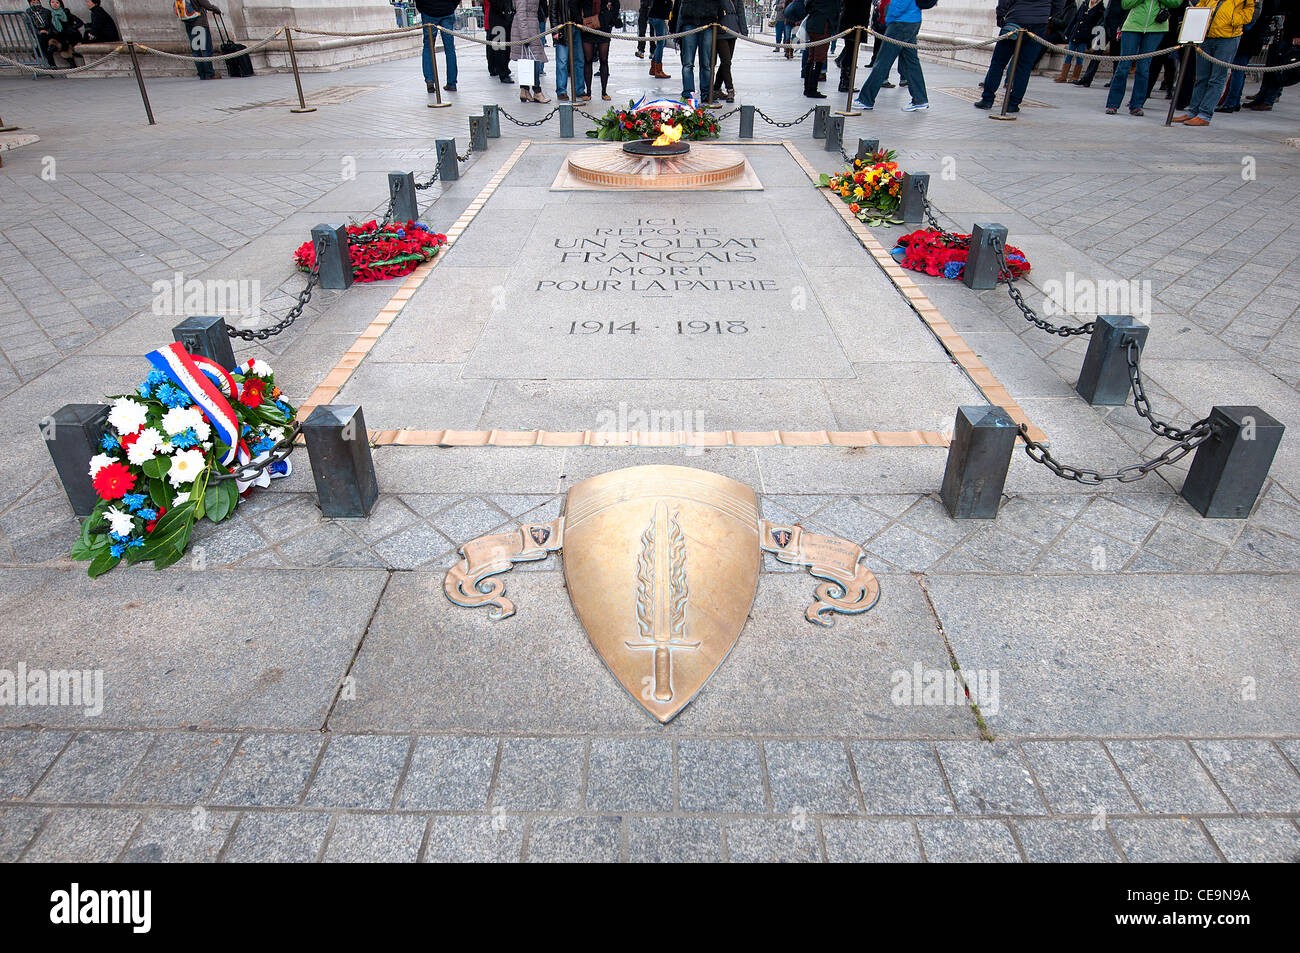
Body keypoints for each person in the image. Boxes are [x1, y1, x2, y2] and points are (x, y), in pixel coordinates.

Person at [973, 0, 1065, 116]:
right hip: (1039, 21)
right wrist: (1045, 12)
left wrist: (1001, 13)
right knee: (1025, 66)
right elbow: (1059, 4)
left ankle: (987, 99)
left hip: (1016, 18)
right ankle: (1013, 103)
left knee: (998, 62)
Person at [1174, 0, 1256, 124]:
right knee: (1201, 77)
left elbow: (1252, 9)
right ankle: (1193, 111)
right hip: (1206, 35)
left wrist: (1234, 19)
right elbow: (1202, 2)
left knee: (1217, 78)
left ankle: (1205, 114)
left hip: (1228, 37)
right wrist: (1199, 16)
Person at [1099, 0, 1180, 116]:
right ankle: (1112, 104)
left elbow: (1175, 3)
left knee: (1144, 68)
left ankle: (1136, 105)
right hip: (1132, 26)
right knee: (1123, 67)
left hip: (1156, 28)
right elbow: (1125, 4)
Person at [854, 0, 929, 110]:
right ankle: (920, 99)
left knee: (883, 61)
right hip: (913, 19)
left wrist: (889, 17)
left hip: (900, 22)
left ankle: (865, 99)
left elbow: (901, 3)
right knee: (911, 62)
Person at [1219, 0, 1273, 112]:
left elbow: (1253, 16)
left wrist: (1237, 23)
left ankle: (1231, 102)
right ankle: (1233, 100)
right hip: (1251, 35)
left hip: (1247, 36)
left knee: (1237, 70)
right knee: (1238, 70)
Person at [1246, 12, 1300, 110]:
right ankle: (1261, 97)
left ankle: (1268, 100)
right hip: (1281, 31)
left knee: (1277, 69)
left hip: (1290, 35)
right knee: (1270, 68)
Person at [670, 0, 722, 102]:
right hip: (690, 21)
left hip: (708, 22)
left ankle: (706, 94)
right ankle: (688, 94)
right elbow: (677, 4)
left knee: (705, 63)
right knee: (688, 63)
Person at [1075, 0, 1124, 85]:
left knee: (1115, 56)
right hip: (1106, 26)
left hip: (1117, 28)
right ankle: (1087, 78)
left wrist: (1121, 27)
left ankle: (1114, 80)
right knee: (1096, 54)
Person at [1056, 0, 1105, 82]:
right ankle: (1063, 75)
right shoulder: (1084, 5)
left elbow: (1096, 26)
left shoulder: (1100, 10)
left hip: (1084, 38)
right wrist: (1067, 33)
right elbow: (1074, 20)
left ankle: (1075, 76)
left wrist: (1091, 41)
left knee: (1080, 57)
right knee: (1069, 55)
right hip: (1075, 34)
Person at [416, 0, 459, 93]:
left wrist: (422, 8)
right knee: (450, 48)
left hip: (429, 11)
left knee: (428, 47)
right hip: (447, 10)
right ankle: (452, 83)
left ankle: (429, 80)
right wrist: (451, 6)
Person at [174, 0, 222, 80]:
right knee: (205, 49)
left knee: (196, 51)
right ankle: (209, 74)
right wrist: (216, 9)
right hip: (200, 23)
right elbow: (207, 5)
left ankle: (202, 74)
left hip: (189, 24)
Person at [512, 0, 551, 100]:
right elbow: (521, 12)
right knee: (533, 61)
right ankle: (537, 91)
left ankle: (524, 90)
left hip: (531, 27)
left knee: (526, 61)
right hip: (527, 29)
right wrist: (525, 36)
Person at [583, 0, 620, 101]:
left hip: (604, 26)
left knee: (604, 60)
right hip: (588, 25)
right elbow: (577, 4)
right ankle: (588, 92)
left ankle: (604, 91)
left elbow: (616, 5)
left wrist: (610, 21)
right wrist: (580, 19)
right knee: (588, 59)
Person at [552, 0, 588, 100]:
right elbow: (553, 9)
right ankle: (561, 91)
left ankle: (579, 90)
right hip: (563, 28)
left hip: (576, 26)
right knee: (562, 62)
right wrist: (555, 30)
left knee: (579, 60)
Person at [712, 0, 747, 101]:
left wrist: (744, 31)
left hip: (732, 31)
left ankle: (716, 88)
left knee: (725, 63)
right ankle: (730, 89)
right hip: (720, 30)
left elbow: (740, 12)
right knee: (726, 62)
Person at [802, 0, 837, 97]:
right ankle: (812, 89)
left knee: (812, 57)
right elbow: (835, 7)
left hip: (813, 22)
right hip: (822, 25)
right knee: (818, 58)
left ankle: (807, 88)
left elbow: (807, 6)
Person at [836, 0, 871, 92]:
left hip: (853, 22)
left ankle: (845, 82)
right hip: (854, 23)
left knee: (850, 52)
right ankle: (845, 83)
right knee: (850, 53)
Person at [43, 0, 83, 64]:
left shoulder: (66, 13)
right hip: (57, 37)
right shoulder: (50, 15)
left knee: (65, 50)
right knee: (50, 49)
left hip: (68, 37)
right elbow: (48, 26)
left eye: (57, 2)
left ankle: (73, 66)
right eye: (52, 2)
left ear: (60, 4)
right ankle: (52, 67)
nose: (54, 4)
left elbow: (80, 22)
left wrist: (71, 28)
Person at [485, 0, 515, 83]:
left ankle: (504, 69)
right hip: (498, 21)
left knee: (507, 48)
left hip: (507, 18)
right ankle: (502, 72)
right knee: (499, 49)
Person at [648, 0, 672, 78]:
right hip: (658, 16)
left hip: (657, 16)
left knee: (662, 42)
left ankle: (654, 67)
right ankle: (658, 70)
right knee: (661, 43)